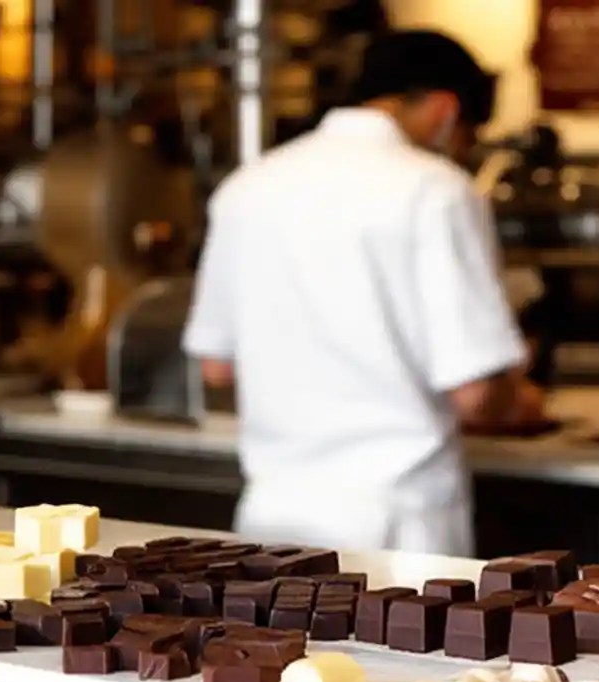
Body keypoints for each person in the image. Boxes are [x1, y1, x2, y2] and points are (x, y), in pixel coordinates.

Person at [182, 30, 545, 556]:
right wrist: (519, 400)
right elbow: (476, 395)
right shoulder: (434, 189)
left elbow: (216, 367)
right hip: (397, 529)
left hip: (271, 517)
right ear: (446, 110)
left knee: (277, 643)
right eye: (470, 132)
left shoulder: (247, 187)